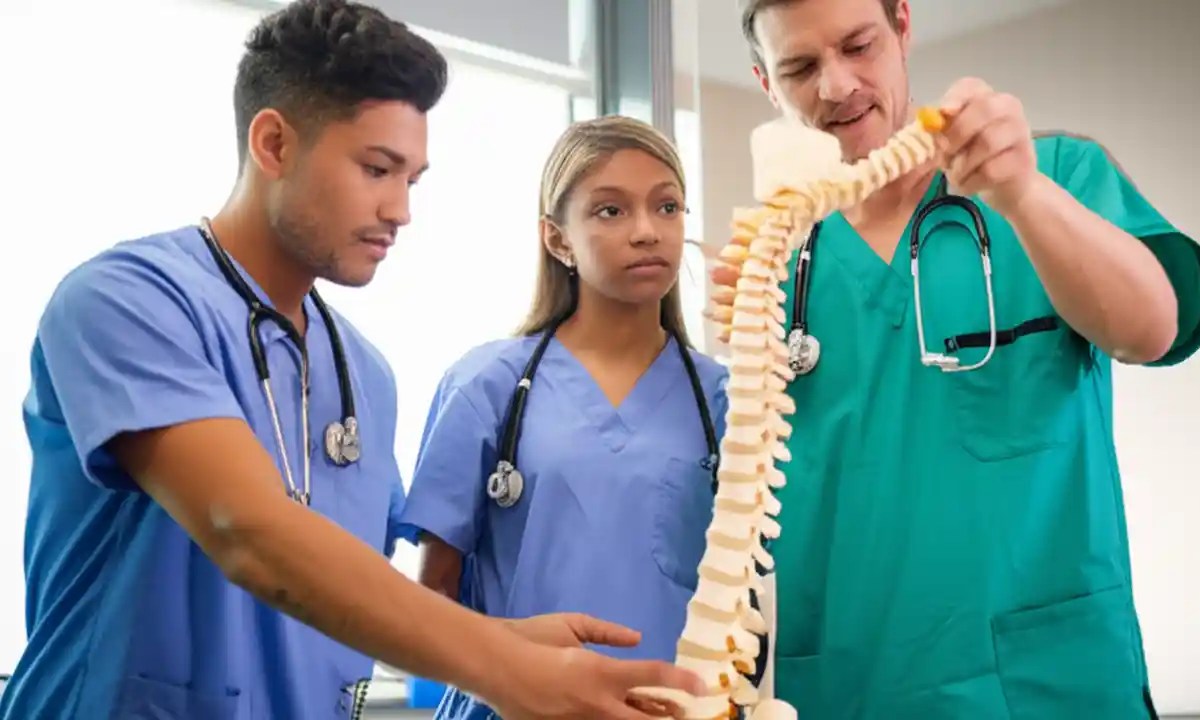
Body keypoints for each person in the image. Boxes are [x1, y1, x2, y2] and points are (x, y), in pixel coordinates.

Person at [0, 3, 704, 719]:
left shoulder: (362, 376)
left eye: (412, 180)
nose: (400, 210)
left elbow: (357, 596)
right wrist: (506, 668)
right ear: (274, 144)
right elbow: (248, 530)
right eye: (376, 169)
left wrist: (509, 642)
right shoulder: (128, 302)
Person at [706, 0, 1200, 718]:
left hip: (1042, 682)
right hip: (847, 685)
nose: (836, 86)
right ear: (766, 82)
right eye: (799, 67)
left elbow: (1155, 329)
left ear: (904, 27)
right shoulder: (779, 268)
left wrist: (1023, 194)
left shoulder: (1052, 177)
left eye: (858, 46)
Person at [398, 115, 729, 719]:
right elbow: (429, 602)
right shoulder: (486, 387)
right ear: (557, 239)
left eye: (668, 207)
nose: (646, 232)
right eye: (610, 211)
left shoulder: (726, 399)